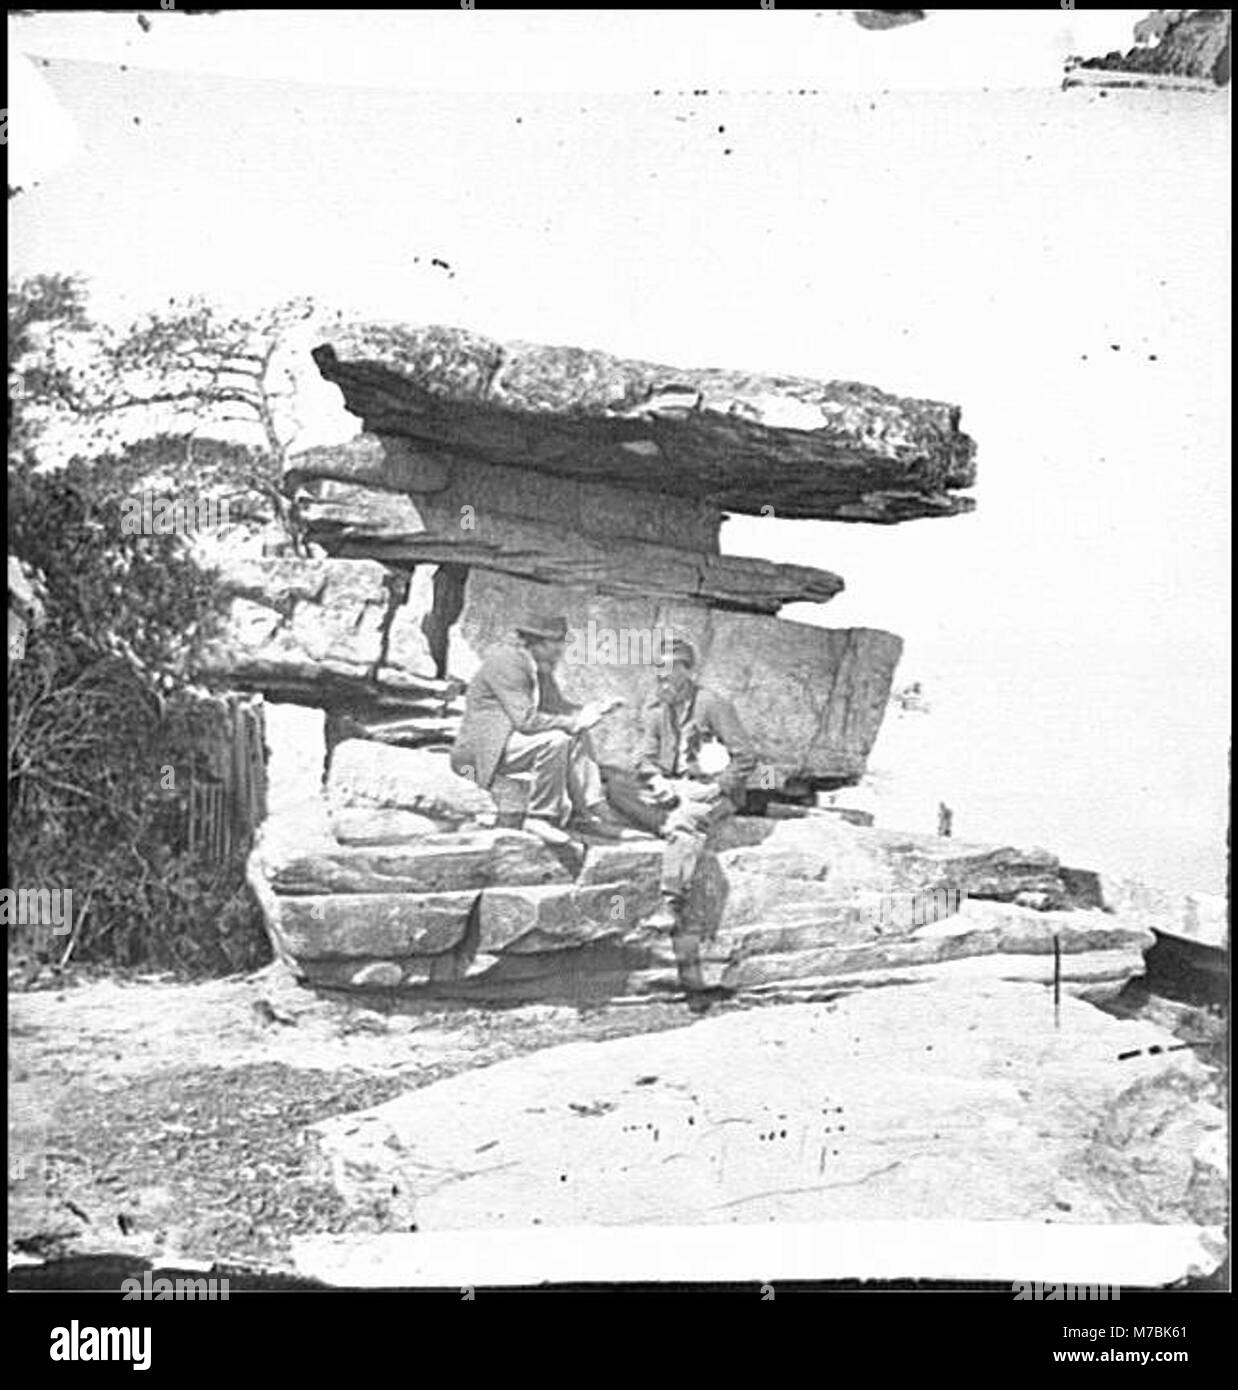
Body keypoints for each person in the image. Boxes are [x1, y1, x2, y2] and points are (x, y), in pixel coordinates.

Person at [604, 635, 757, 930]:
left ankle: (671, 903)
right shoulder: (655, 709)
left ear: (688, 671)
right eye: (658, 668)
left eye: (669, 667)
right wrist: (658, 781)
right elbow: (643, 759)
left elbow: (746, 757)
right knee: (616, 788)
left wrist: (718, 787)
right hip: (673, 788)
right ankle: (671, 826)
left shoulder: (712, 704)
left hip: (709, 789)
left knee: (687, 818)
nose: (662, 675)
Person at [450, 610, 629, 842]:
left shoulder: (538, 667)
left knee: (576, 733)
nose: (561, 650)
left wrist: (593, 710)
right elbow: (525, 721)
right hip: (481, 752)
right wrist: (574, 722)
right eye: (556, 643)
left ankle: (588, 812)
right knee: (556, 740)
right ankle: (539, 817)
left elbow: (558, 709)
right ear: (536, 642)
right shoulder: (507, 663)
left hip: (512, 743)